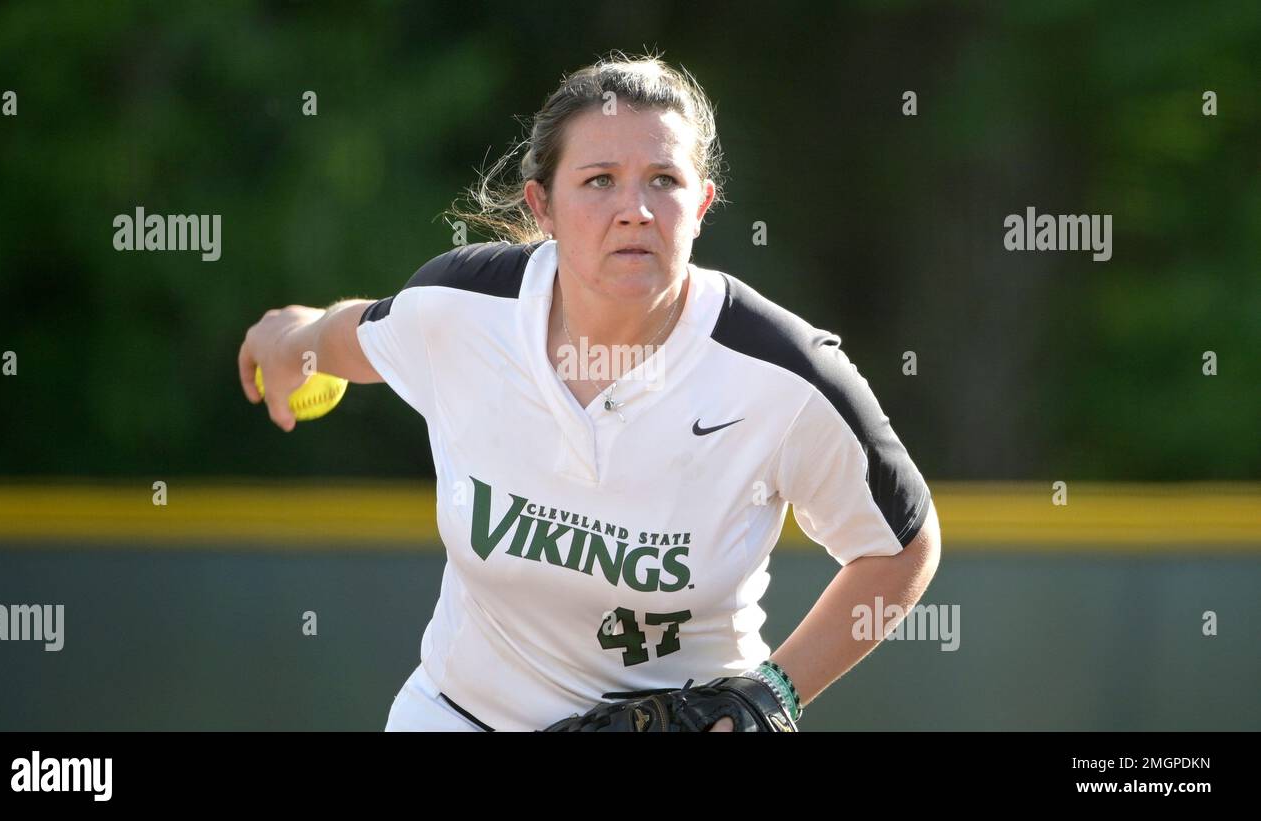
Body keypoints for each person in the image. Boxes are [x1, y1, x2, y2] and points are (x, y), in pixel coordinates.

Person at [238, 52, 940, 732]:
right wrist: (288, 336)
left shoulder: (781, 375)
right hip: (460, 715)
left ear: (701, 204)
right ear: (541, 205)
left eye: (663, 179)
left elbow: (902, 545)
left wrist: (773, 691)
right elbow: (342, 335)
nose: (633, 208)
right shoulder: (462, 310)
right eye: (600, 179)